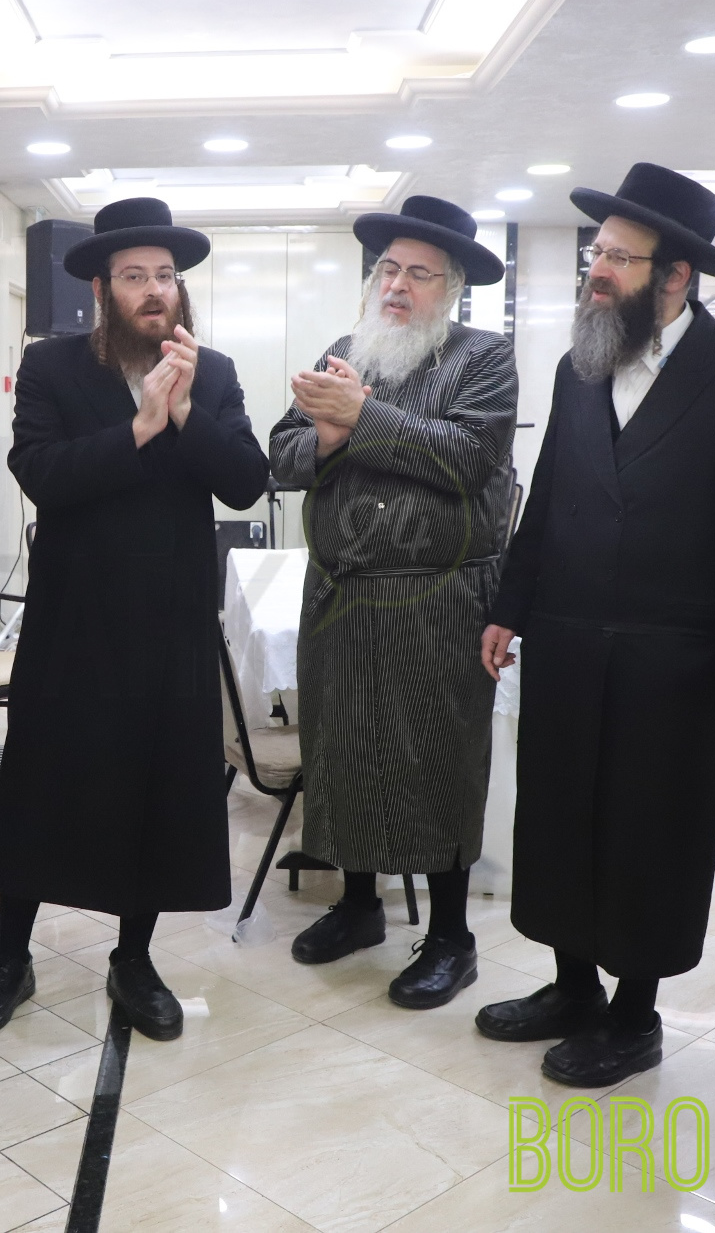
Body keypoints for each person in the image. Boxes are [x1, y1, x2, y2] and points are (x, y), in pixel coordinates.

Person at [478, 163, 715, 1087]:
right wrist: (510, 606)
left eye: (619, 257)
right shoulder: (579, 360)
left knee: (649, 829)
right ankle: (571, 985)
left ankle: (635, 1012)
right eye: (597, 253)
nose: (598, 270)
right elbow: (545, 499)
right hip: (570, 641)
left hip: (678, 656)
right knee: (562, 817)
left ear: (676, 274)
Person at [0, 197, 270, 1043]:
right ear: (103, 288)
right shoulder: (54, 368)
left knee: (156, 792)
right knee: (43, 789)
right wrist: (136, 430)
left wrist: (184, 417)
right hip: (74, 619)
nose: (154, 291)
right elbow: (41, 473)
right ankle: (10, 951)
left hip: (168, 623)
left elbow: (247, 478)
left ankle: (133, 958)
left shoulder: (215, 371)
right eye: (134, 276)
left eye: (164, 275)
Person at [269, 196, 517, 1010]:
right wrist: (330, 436)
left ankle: (451, 935)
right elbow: (281, 452)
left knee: (434, 760)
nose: (398, 284)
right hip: (341, 596)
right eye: (388, 268)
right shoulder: (345, 352)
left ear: (450, 288)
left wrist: (363, 416)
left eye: (419, 272)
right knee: (342, 754)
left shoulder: (484, 357)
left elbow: (467, 456)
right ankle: (358, 904)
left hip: (438, 600)